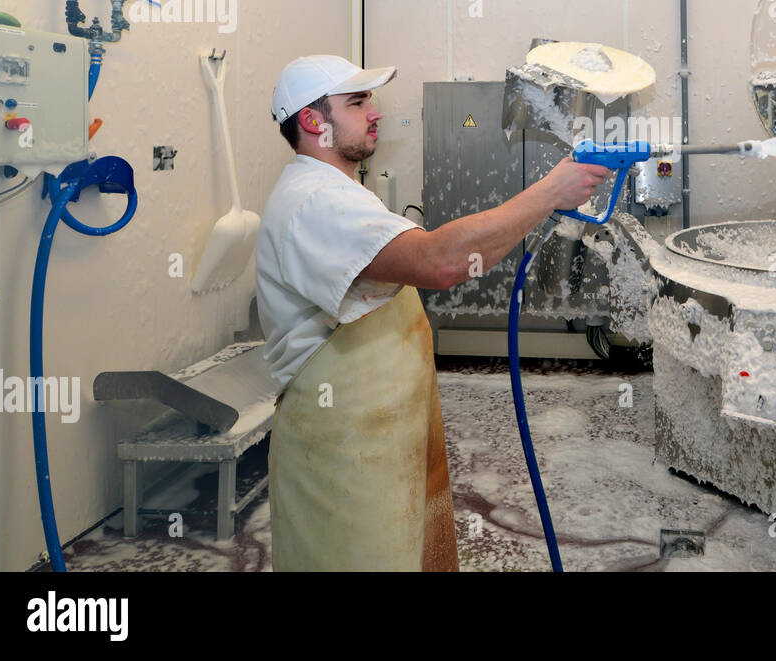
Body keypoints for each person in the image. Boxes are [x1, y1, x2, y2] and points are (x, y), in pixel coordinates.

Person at [255, 54, 610, 571]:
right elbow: (441, 262)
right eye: (357, 102)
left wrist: (545, 200)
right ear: (313, 122)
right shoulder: (314, 202)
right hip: (344, 450)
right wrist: (549, 192)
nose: (374, 112)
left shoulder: (340, 192)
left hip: (380, 435)